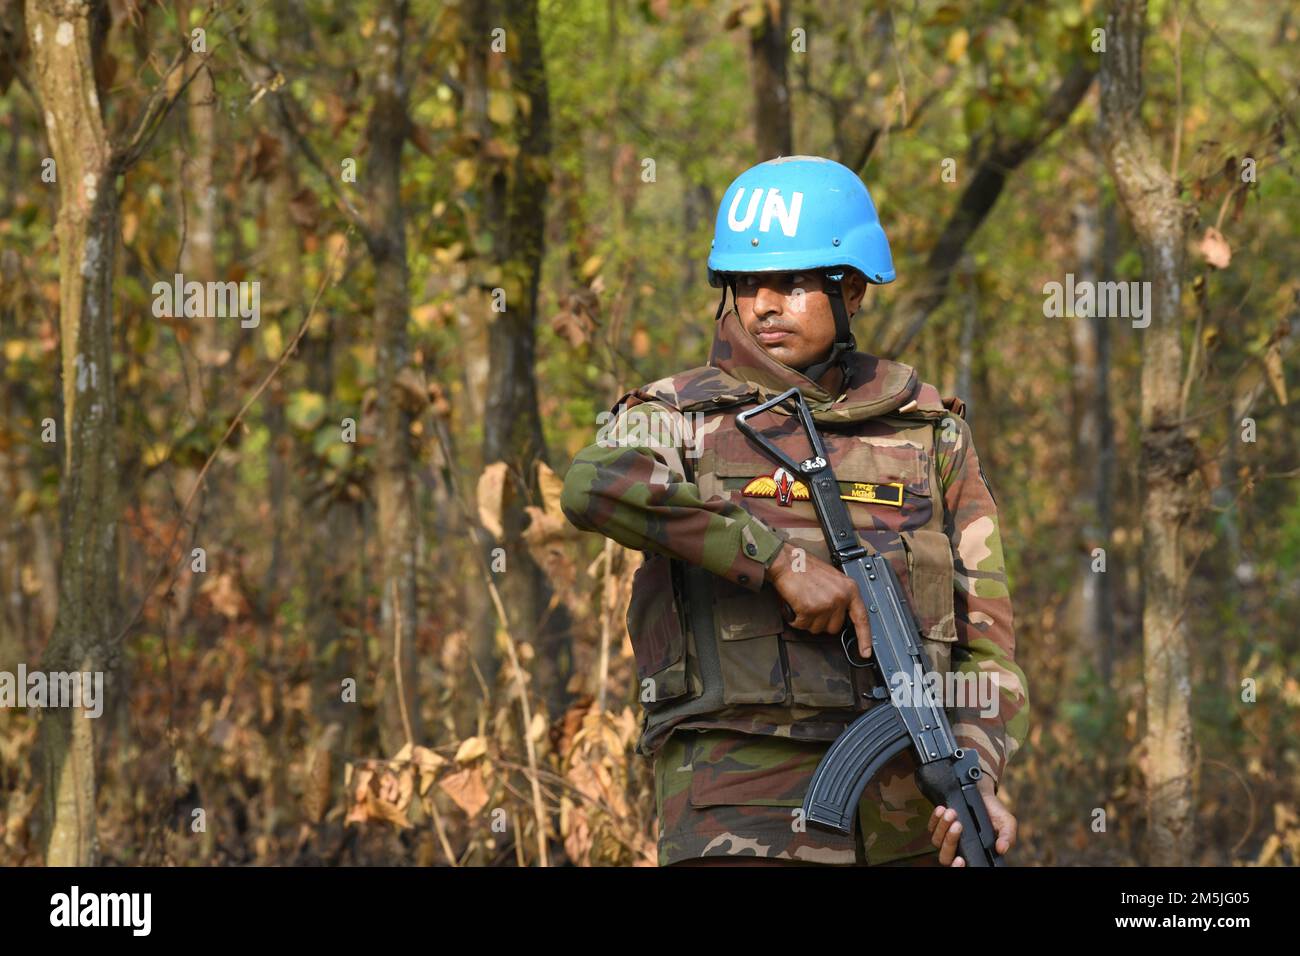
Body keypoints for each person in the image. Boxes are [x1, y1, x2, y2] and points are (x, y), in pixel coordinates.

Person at [561, 156, 1026, 866]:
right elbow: (593, 484)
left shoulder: (929, 434)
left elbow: (985, 644)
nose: (764, 305)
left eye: (793, 283)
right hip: (737, 800)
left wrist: (978, 774)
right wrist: (774, 561)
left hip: (910, 810)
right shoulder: (681, 417)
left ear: (853, 289)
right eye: (748, 284)